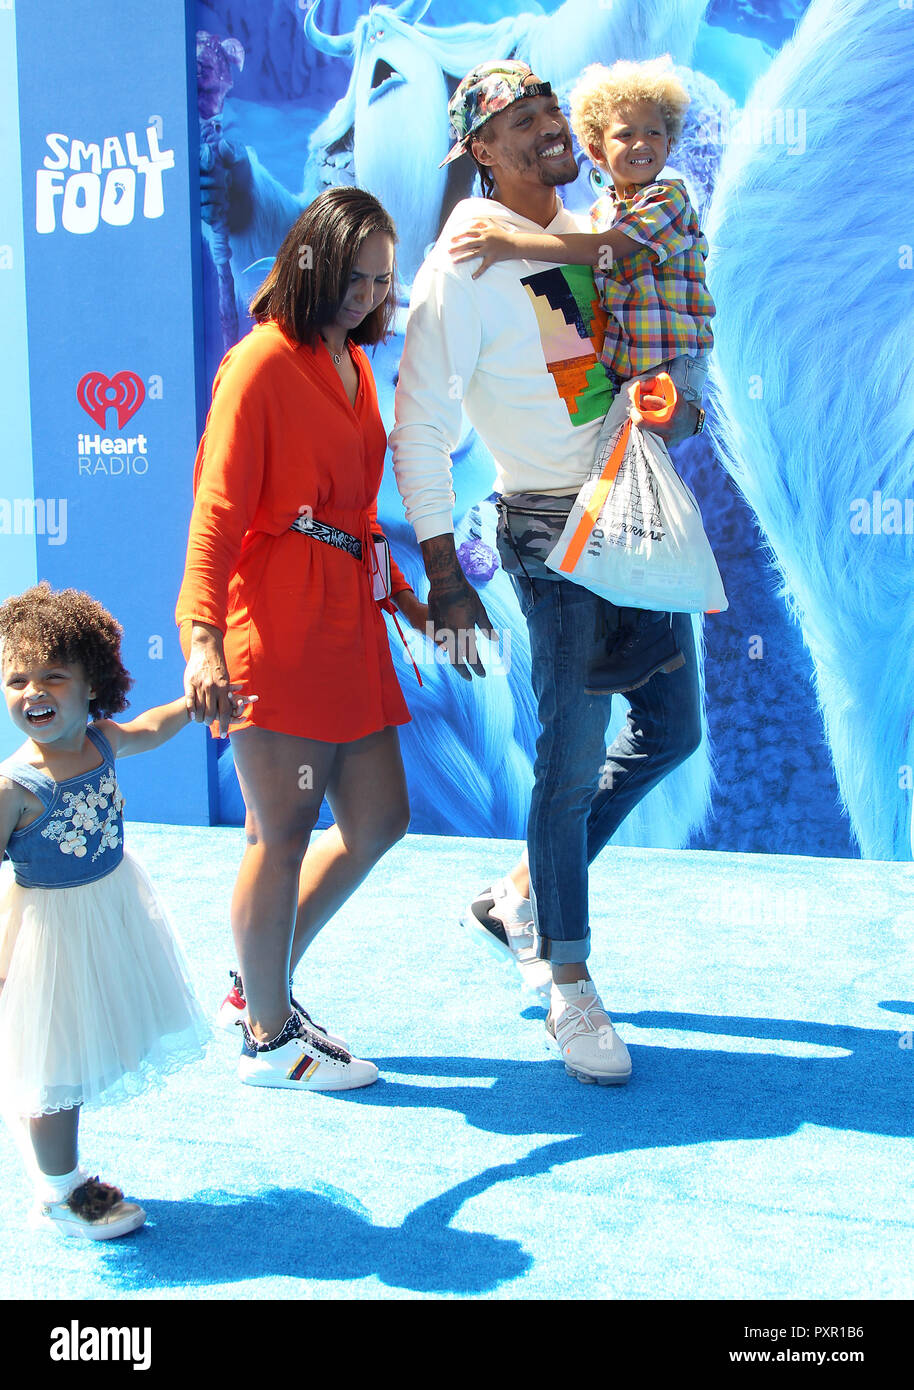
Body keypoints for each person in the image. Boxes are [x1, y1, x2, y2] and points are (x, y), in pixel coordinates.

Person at [392, 60, 704, 1086]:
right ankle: (566, 984)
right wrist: (440, 569)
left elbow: (581, 386)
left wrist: (656, 407)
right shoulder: (459, 269)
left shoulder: (583, 232)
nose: (543, 129)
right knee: (568, 761)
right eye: (515, 123)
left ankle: (525, 889)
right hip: (543, 534)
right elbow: (421, 430)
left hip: (626, 508)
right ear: (479, 152)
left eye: (545, 111)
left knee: (673, 731)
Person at [177, 186, 428, 1093]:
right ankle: (267, 1038)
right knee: (279, 831)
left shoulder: (355, 364)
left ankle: (257, 989)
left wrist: (405, 596)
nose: (367, 295)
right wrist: (202, 638)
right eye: (354, 276)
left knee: (378, 820)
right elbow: (215, 513)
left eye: (382, 280)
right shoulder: (260, 363)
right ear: (312, 262)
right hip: (274, 628)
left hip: (347, 623)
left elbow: (355, 516)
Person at [449, 56, 715, 693]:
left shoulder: (657, 203)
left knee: (625, 490)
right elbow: (568, 354)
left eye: (655, 134)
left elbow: (606, 257)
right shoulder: (576, 219)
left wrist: (513, 248)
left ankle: (649, 634)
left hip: (663, 368)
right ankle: (643, 634)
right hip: (606, 403)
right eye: (626, 134)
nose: (643, 146)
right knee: (623, 491)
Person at [0, 583, 212, 1239]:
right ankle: (60, 1191)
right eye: (17, 680)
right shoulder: (15, 785)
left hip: (111, 913)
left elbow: (149, 728)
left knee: (83, 1052)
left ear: (92, 684)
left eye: (53, 677)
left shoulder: (100, 741)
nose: (33, 693)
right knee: (54, 1066)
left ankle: (54, 1176)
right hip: (48, 938)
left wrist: (194, 704)